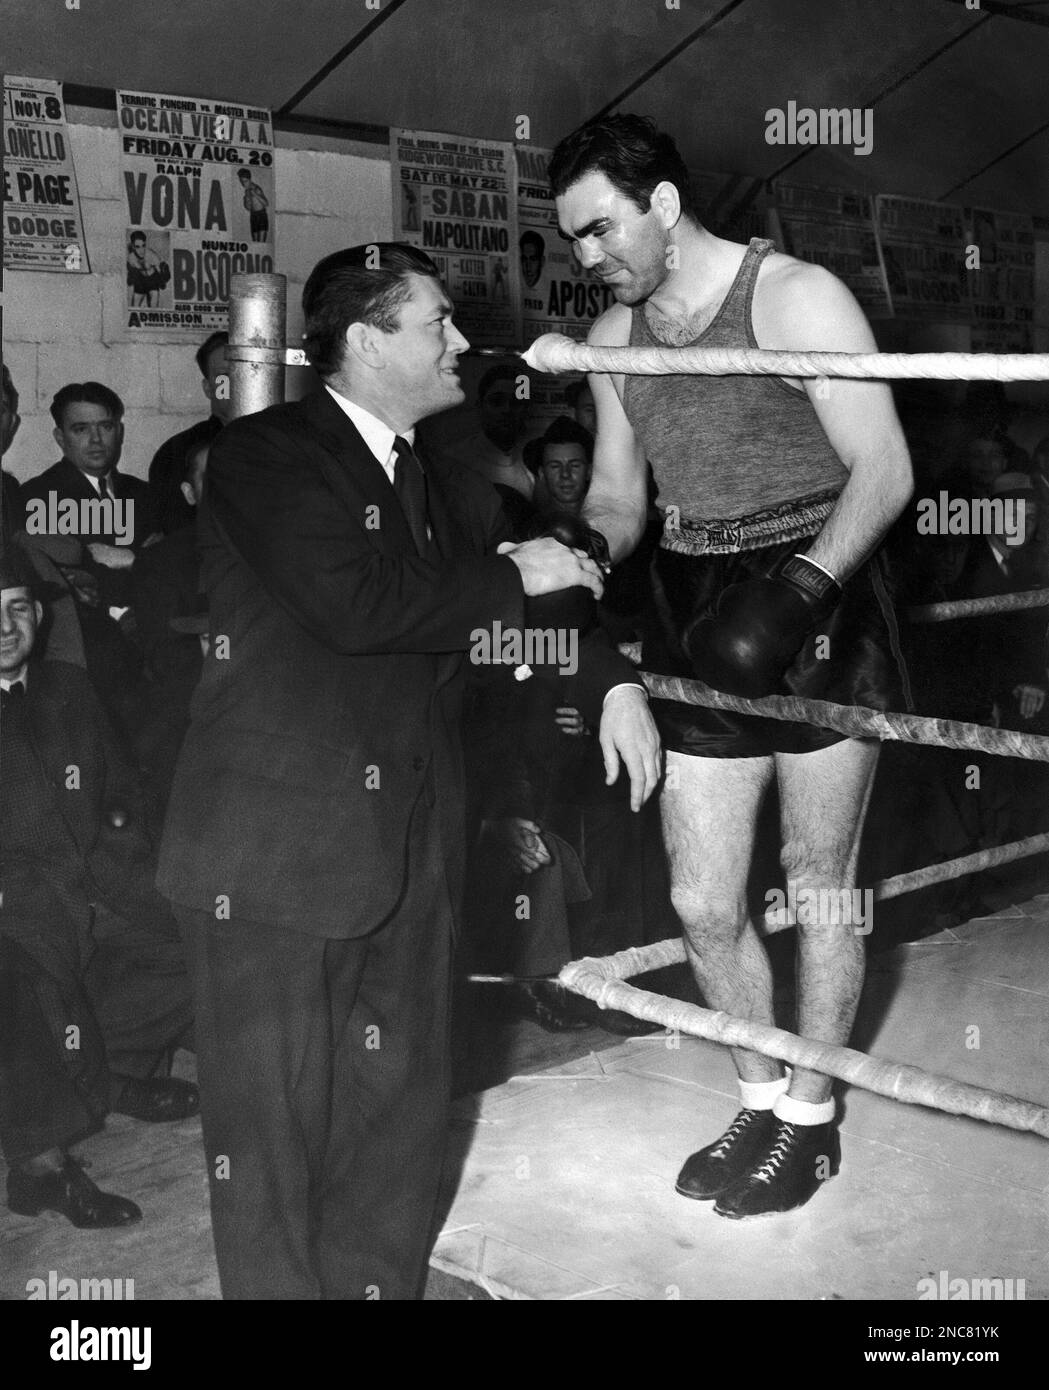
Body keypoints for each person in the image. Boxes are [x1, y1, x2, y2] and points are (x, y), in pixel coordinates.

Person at [156, 242, 660, 1299]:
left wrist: (608, 677)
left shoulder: (442, 477)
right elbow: (356, 604)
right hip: (273, 855)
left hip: (413, 841)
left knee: (398, 1103)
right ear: (363, 338)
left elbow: (536, 592)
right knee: (272, 1124)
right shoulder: (266, 455)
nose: (460, 343)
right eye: (435, 323)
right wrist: (508, 574)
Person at [549, 113, 913, 1218]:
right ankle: (758, 1098)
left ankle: (811, 1120)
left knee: (817, 878)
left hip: (819, 589)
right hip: (691, 592)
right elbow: (621, 497)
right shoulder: (615, 343)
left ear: (661, 205)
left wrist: (801, 590)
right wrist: (575, 549)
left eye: (599, 229)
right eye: (570, 239)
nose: (585, 258)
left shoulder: (793, 295)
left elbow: (884, 467)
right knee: (701, 898)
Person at [0, 545, 198, 1230]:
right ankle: (40, 1168)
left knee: (203, 937)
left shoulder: (67, 690)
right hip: (16, 904)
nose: (5, 626)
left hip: (99, 882)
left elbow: (122, 792)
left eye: (17, 609)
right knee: (22, 983)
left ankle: (108, 1076)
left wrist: (142, 867)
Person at [148, 331, 230, 535]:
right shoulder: (177, 453)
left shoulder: (286, 441)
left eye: (245, 373)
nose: (237, 385)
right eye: (224, 377)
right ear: (208, 388)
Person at [438, 365, 535, 498]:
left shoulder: (533, 461)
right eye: (497, 401)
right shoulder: (454, 462)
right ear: (480, 407)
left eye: (515, 402)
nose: (507, 409)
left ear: (526, 409)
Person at [532, 415, 593, 518]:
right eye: (555, 466)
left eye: (575, 465)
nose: (565, 474)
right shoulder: (529, 528)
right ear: (542, 473)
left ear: (589, 471)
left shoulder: (610, 523)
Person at [126, 231, 170, 307]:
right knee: (134, 308)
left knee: (153, 308)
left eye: (143, 245)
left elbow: (161, 271)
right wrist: (131, 275)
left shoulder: (151, 256)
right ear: (133, 247)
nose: (141, 250)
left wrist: (163, 277)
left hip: (152, 279)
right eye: (137, 247)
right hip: (141, 280)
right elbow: (131, 277)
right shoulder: (131, 259)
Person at [237, 168, 269, 243]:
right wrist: (245, 201)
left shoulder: (256, 189)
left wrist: (255, 195)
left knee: (261, 244)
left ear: (250, 179)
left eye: (245, 181)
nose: (243, 184)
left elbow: (266, 203)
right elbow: (248, 208)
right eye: (242, 181)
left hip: (261, 215)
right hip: (253, 215)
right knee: (255, 243)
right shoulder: (247, 191)